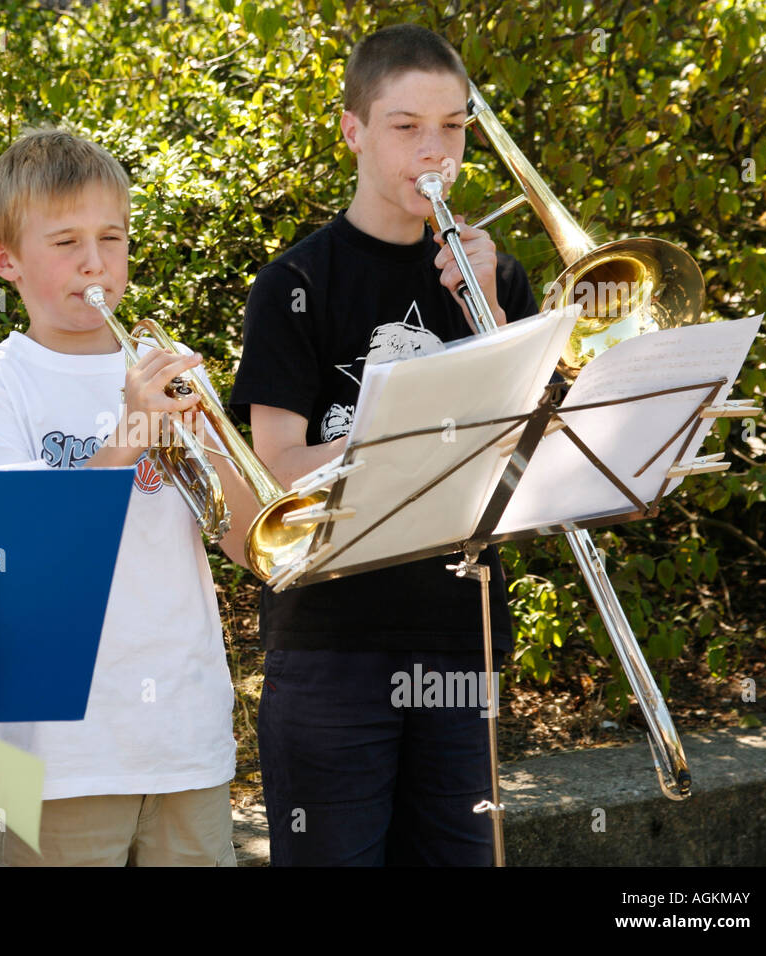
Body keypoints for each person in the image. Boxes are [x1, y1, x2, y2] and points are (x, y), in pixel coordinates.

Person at [229, 24, 540, 866]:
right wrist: (409, 432)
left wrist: (497, 331)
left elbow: (526, 469)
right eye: (405, 126)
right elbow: (280, 472)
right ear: (353, 131)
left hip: (458, 633)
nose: (434, 149)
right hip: (333, 640)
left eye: (453, 125)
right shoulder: (294, 283)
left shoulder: (495, 279)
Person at [0, 129, 254, 866]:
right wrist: (130, 434)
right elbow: (26, 552)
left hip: (185, 735)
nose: (94, 263)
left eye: (110, 238)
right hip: (60, 750)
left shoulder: (164, 372)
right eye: (66, 242)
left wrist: (208, 437)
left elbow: (249, 544)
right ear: (6, 260)